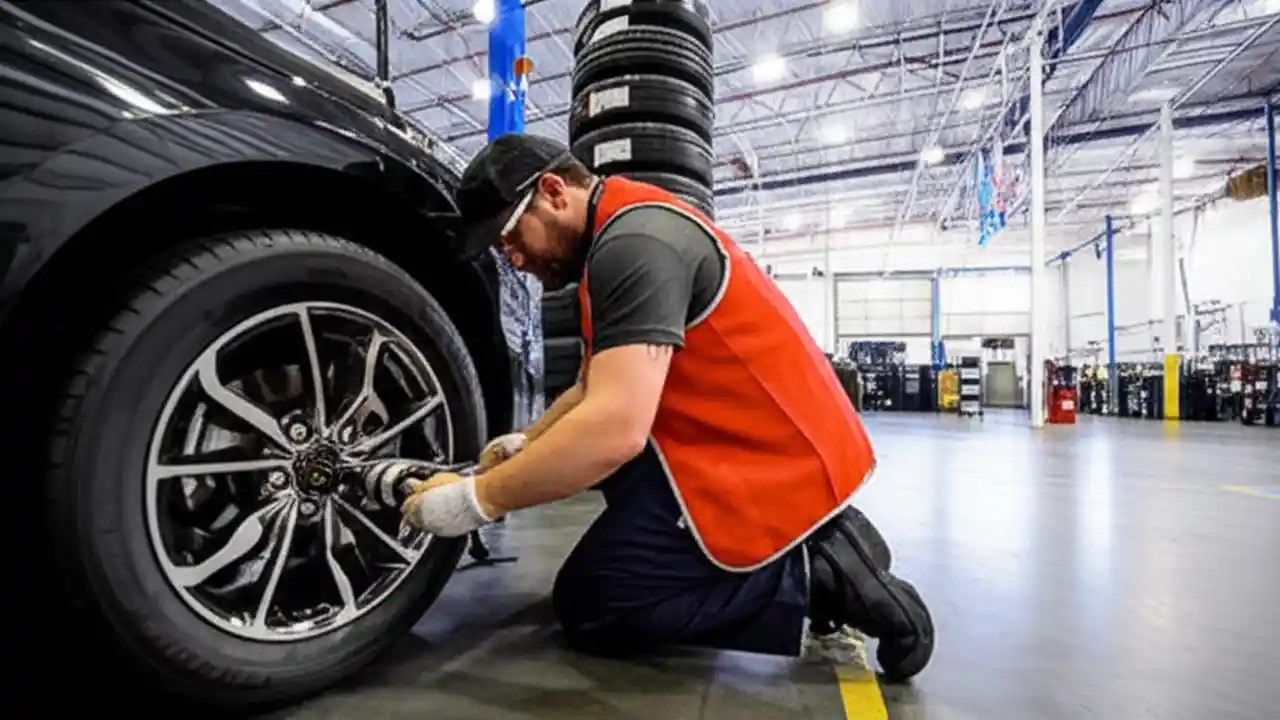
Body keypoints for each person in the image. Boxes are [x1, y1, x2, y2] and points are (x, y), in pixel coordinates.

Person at [368, 133, 934, 679]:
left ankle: (817, 572)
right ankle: (803, 546)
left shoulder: (636, 244)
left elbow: (615, 429)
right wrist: (529, 444)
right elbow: (595, 385)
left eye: (510, 236)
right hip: (736, 442)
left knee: (597, 605)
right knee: (593, 480)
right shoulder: (618, 233)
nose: (512, 259)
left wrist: (477, 500)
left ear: (553, 192)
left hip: (771, 461)